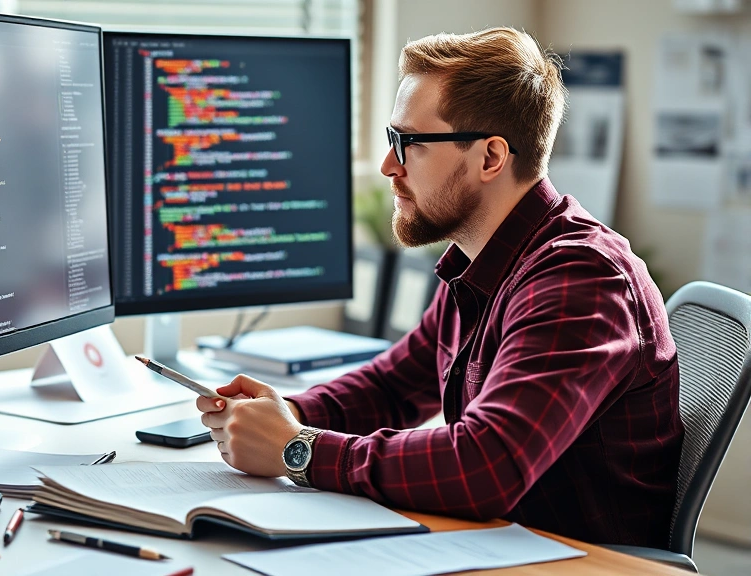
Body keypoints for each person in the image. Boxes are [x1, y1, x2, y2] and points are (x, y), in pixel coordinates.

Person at [197, 26, 683, 548]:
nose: (389, 166)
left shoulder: (580, 280)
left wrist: (300, 449)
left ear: (491, 158)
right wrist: (288, 413)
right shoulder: (481, 266)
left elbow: (486, 467)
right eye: (392, 140)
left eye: (411, 144)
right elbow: (393, 386)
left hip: (574, 561)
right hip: (497, 545)